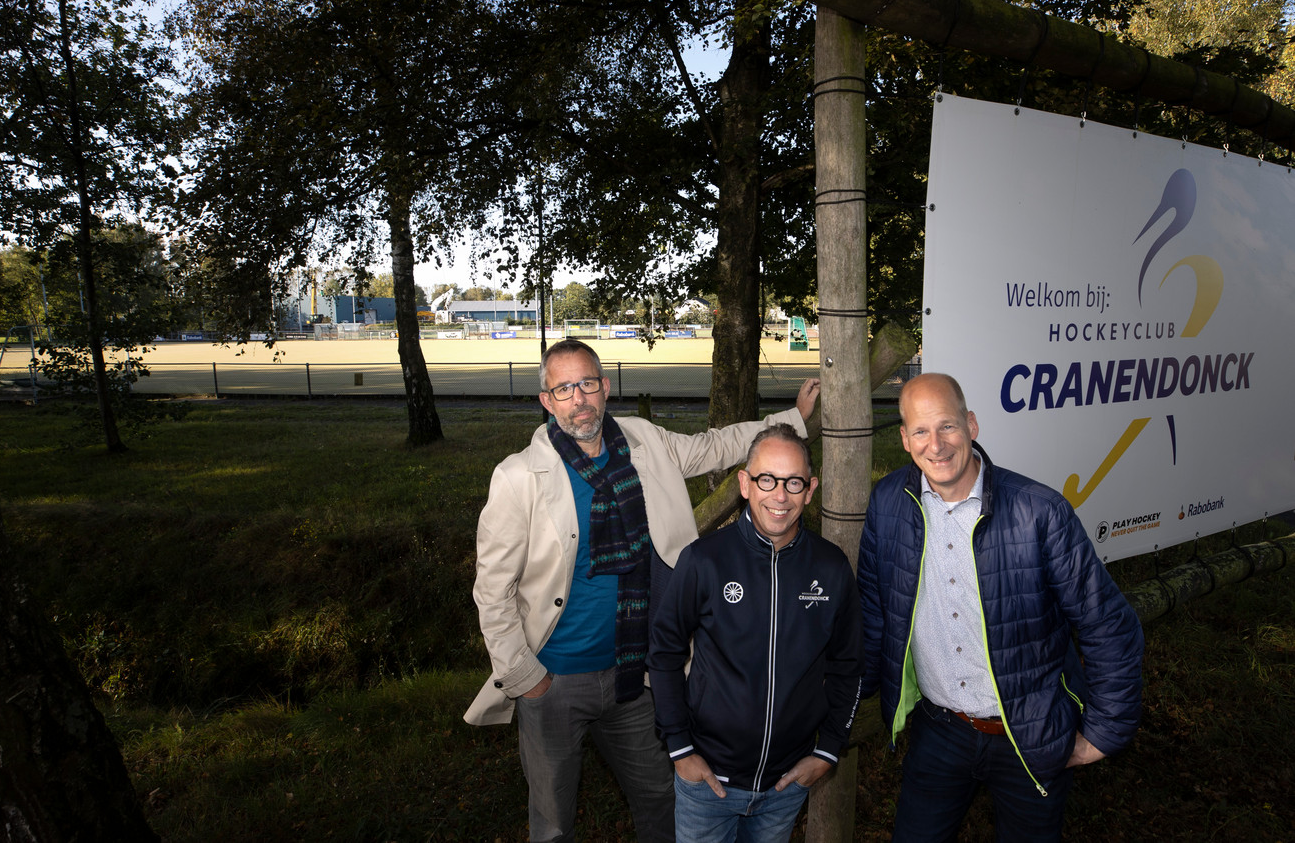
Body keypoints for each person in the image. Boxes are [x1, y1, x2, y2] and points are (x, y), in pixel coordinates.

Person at [466, 338, 820, 843]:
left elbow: (713, 445)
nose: (578, 398)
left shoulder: (644, 441)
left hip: (640, 676)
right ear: (546, 400)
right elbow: (492, 590)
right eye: (563, 388)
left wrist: (792, 419)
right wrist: (527, 677)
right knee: (552, 821)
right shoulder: (519, 475)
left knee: (659, 798)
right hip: (555, 680)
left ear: (605, 387)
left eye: (587, 383)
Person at [858, 373, 1145, 841]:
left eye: (947, 426)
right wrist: (844, 701)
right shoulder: (888, 502)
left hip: (1028, 735)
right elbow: (873, 613)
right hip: (938, 731)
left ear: (971, 425)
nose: (937, 445)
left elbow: (1108, 625)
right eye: (921, 431)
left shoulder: (1039, 511)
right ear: (905, 439)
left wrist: (1104, 733)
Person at [648, 424, 864, 843]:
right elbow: (664, 651)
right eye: (767, 479)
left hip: (786, 786)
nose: (779, 495)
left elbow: (849, 664)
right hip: (707, 781)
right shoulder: (704, 560)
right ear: (745, 484)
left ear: (810, 489)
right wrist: (680, 748)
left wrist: (828, 749)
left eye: (793, 482)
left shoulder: (831, 567)